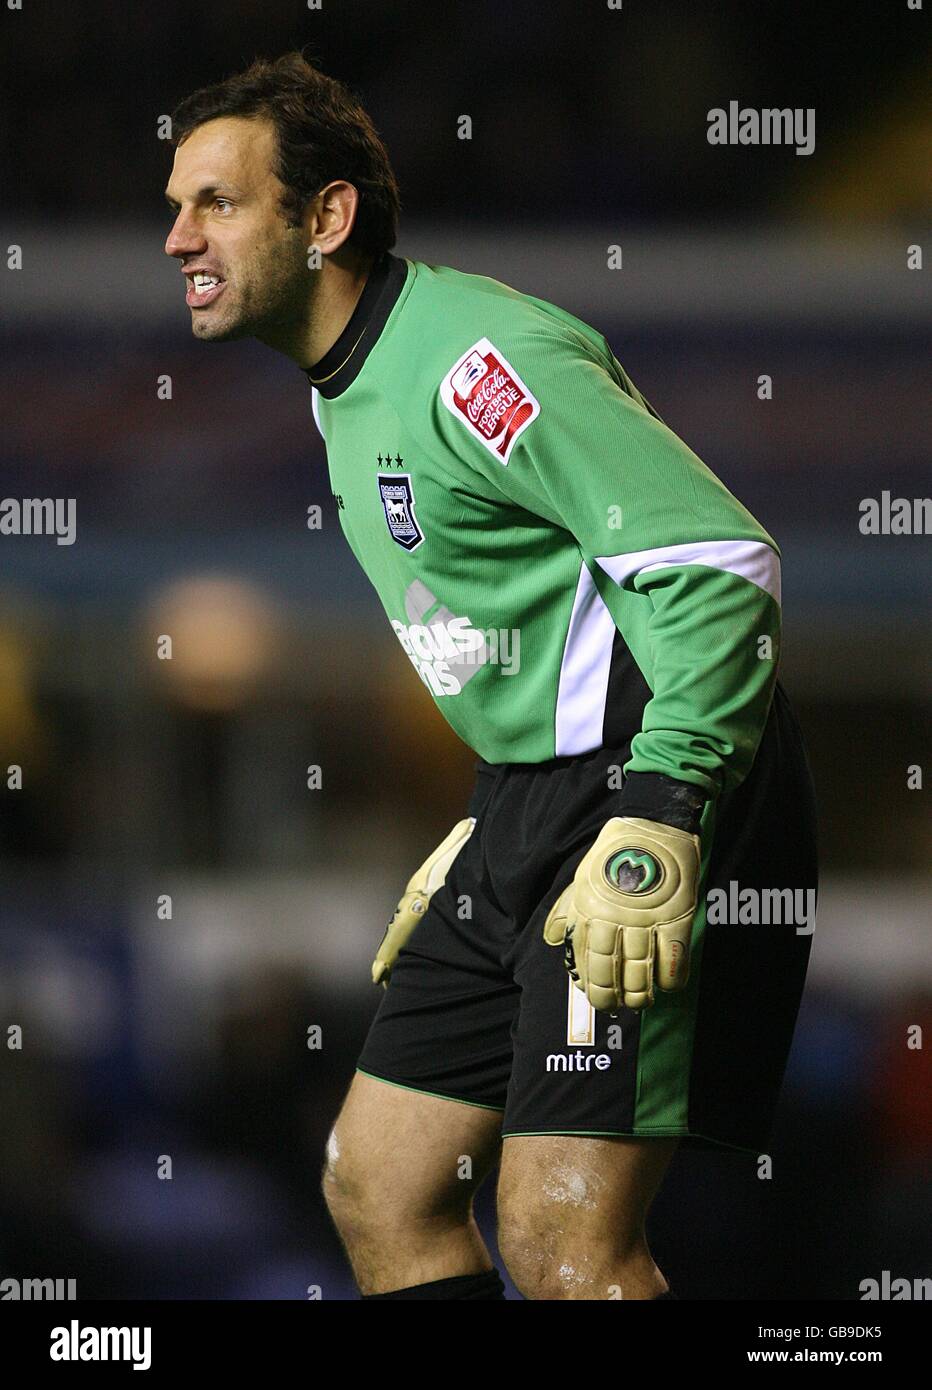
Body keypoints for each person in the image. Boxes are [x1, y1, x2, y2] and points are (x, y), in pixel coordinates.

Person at [164, 52, 818, 1301]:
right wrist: (486, 818)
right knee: (378, 1184)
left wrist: (663, 810)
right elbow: (537, 621)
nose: (177, 236)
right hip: (526, 801)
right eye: (175, 204)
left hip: (646, 776)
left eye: (215, 202)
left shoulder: (475, 358)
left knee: (562, 1237)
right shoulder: (342, 389)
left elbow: (718, 558)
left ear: (327, 218)